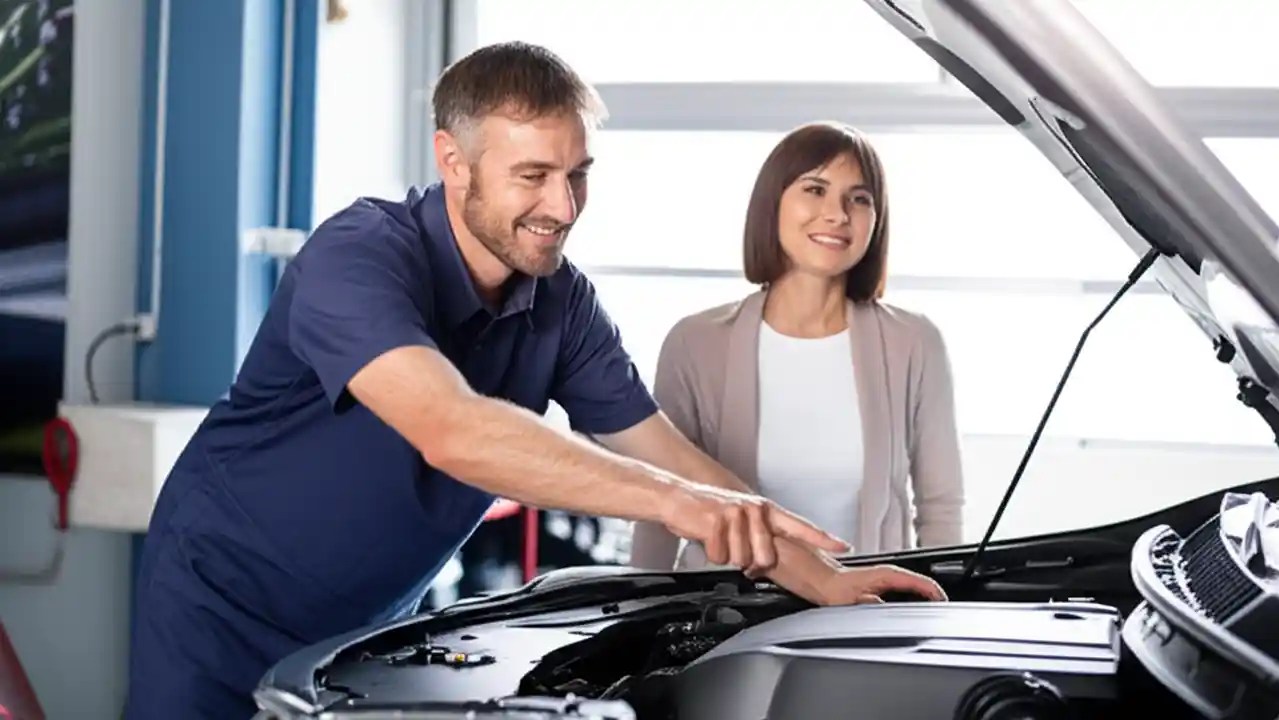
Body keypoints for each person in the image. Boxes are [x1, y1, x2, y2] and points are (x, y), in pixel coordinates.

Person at [123, 45, 945, 719]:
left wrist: (819, 578)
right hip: (218, 611)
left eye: (579, 173)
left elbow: (670, 452)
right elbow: (453, 429)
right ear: (455, 161)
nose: (565, 205)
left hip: (367, 629)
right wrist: (674, 504)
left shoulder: (560, 300)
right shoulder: (359, 254)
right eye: (534, 176)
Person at [629, 122, 965, 572]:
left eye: (859, 199)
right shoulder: (695, 343)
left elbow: (940, 507)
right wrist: (639, 608)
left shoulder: (915, 343)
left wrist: (930, 614)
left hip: (865, 619)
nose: (838, 214)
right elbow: (662, 503)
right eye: (815, 189)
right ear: (773, 204)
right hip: (722, 615)